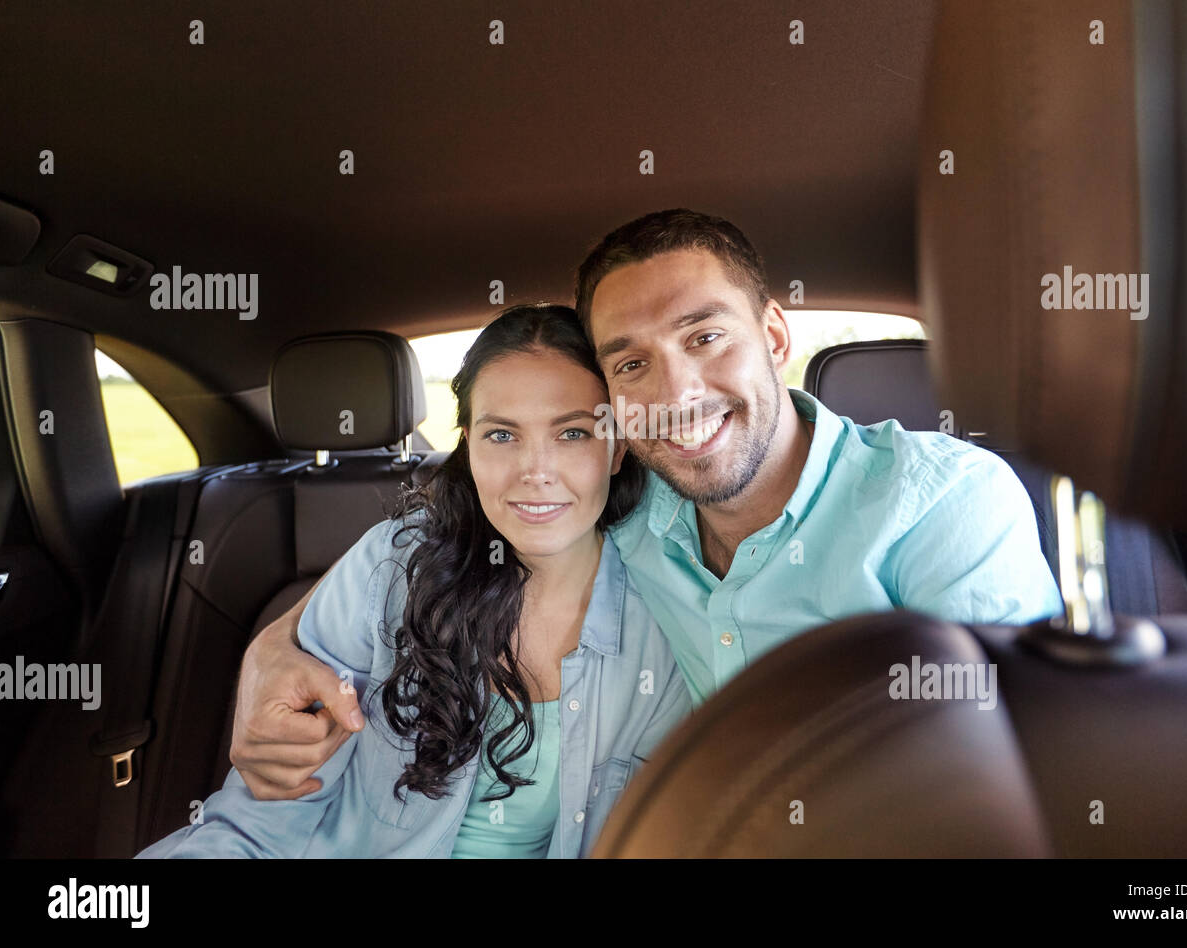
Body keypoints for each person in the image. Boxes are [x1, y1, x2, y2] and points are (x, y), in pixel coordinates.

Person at [228, 209, 1063, 800]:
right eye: (631, 365)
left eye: (705, 338)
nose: (676, 396)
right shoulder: (628, 506)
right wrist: (272, 652)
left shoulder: (940, 501)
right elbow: (437, 548)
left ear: (774, 338)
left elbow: (1028, 762)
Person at [137, 304, 691, 857]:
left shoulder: (666, 610)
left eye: (572, 433)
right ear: (468, 445)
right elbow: (264, 817)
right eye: (502, 436)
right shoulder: (392, 568)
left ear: (618, 447)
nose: (535, 471)